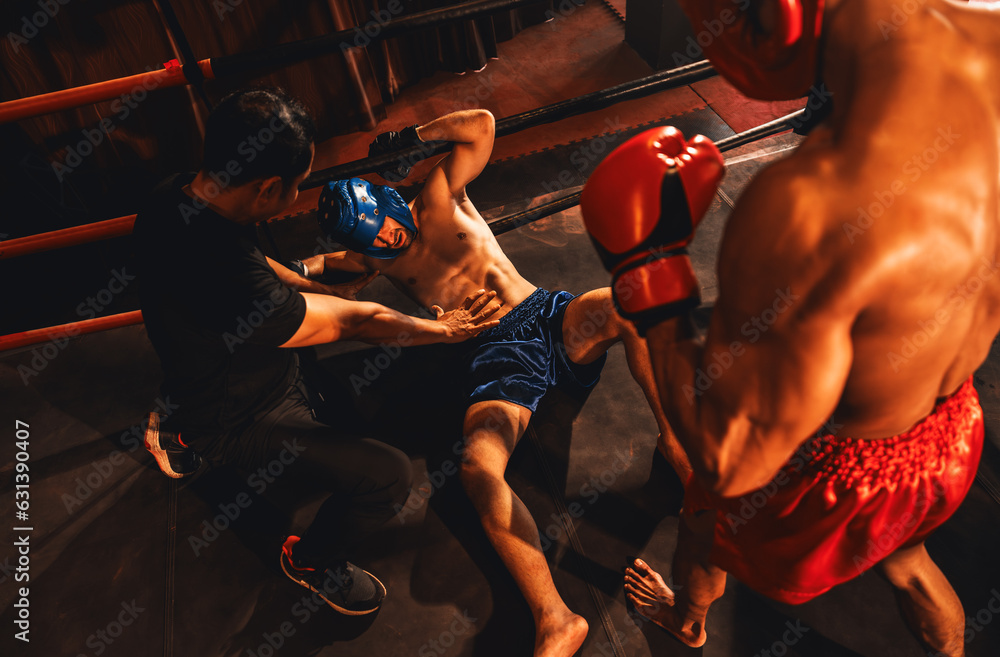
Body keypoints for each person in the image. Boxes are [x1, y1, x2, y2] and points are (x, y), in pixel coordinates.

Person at [580, 0, 998, 655]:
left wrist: (650, 274)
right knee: (908, 560)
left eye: (709, 28)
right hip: (948, 436)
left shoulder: (811, 211)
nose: (711, 49)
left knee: (703, 517)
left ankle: (685, 619)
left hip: (823, 482)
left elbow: (729, 461)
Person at [316, 109, 693, 657]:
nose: (396, 242)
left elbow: (482, 125)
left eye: (394, 229)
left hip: (545, 314)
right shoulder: (370, 259)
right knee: (477, 468)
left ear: (393, 201)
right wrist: (259, 270)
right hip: (494, 353)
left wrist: (410, 141)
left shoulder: (439, 194)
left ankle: (675, 442)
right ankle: (556, 619)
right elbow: (313, 275)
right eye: (382, 244)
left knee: (628, 302)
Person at [133, 88, 500, 617]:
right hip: (241, 415)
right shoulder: (240, 288)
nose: (300, 193)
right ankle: (310, 559)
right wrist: (442, 329)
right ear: (266, 189)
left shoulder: (174, 196)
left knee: (366, 398)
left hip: (224, 364)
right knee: (390, 474)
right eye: (298, 185)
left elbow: (257, 264)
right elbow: (358, 323)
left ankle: (179, 425)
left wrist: (318, 282)